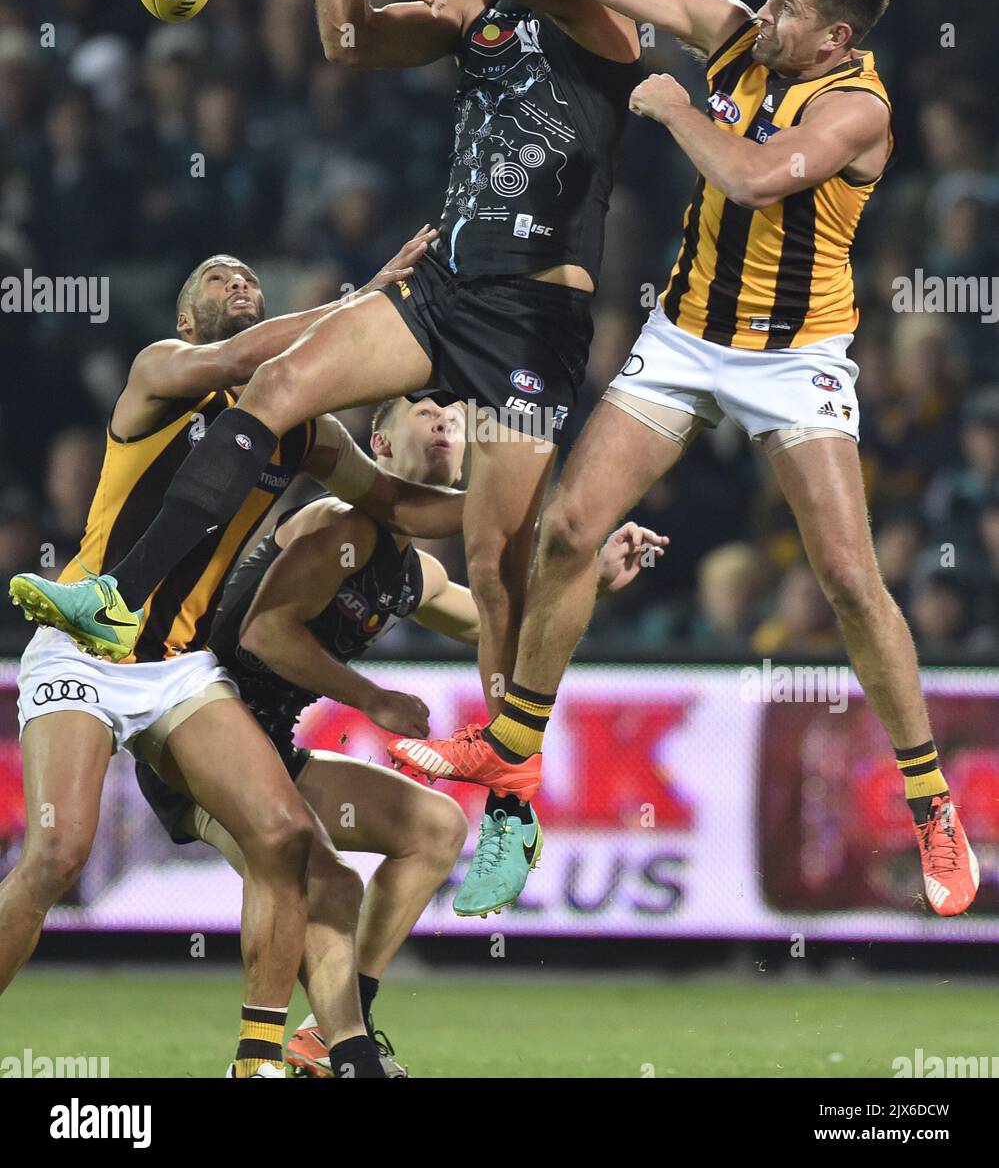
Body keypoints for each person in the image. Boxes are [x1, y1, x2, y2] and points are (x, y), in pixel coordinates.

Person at [11, 0, 645, 916]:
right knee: (281, 379)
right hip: (446, 281)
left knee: (499, 562)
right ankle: (122, 590)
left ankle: (509, 803)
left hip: (535, 322)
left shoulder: (605, 24)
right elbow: (347, 40)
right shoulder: (484, 17)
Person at [390, 0, 979, 919]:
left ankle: (929, 799)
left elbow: (754, 179)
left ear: (838, 35)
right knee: (572, 529)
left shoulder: (858, 108)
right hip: (688, 334)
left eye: (791, 8)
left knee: (845, 574)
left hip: (796, 358)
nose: (768, 12)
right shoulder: (743, 36)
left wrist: (669, 108)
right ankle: (515, 753)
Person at [3, 234, 466, 1080]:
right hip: (82, 647)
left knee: (285, 836)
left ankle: (254, 1065)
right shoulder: (160, 372)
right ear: (188, 316)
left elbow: (399, 500)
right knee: (58, 854)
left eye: (250, 275)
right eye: (220, 277)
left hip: (177, 670)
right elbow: (252, 353)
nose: (240, 282)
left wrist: (536, 515)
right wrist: (373, 301)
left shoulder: (302, 429)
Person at [136, 395, 664, 1074]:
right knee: (323, 881)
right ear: (378, 450)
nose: (446, 421)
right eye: (423, 413)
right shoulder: (335, 522)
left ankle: (328, 1036)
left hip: (269, 745)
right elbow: (263, 632)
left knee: (434, 828)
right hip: (201, 743)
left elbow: (495, 623)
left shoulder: (415, 573)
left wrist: (590, 580)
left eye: (453, 418)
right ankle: (325, 1055)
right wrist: (372, 698)